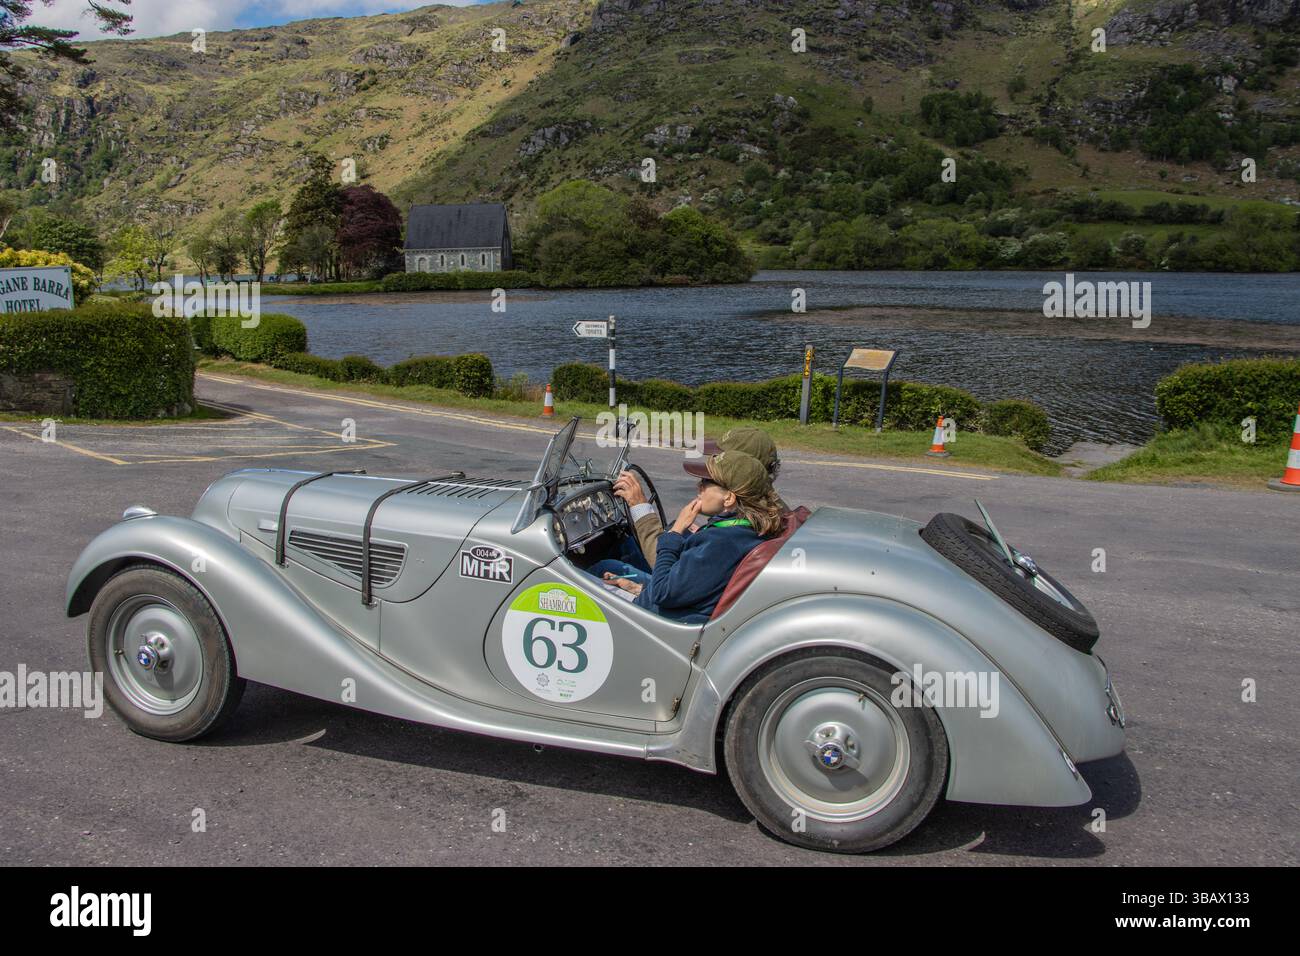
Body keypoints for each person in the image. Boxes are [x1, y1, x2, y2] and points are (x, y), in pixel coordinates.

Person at [590, 450, 784, 624]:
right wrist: (637, 587)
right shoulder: (744, 531)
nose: (698, 485)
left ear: (729, 498)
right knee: (608, 566)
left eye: (706, 482)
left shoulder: (720, 542)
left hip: (657, 619)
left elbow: (662, 592)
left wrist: (675, 532)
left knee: (578, 584)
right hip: (681, 605)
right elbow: (690, 584)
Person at [612, 426, 788, 567]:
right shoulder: (767, 510)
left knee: (606, 565)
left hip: (674, 593)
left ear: (746, 465)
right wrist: (708, 531)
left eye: (723, 459)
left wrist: (640, 507)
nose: (712, 462)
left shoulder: (731, 537)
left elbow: (664, 577)